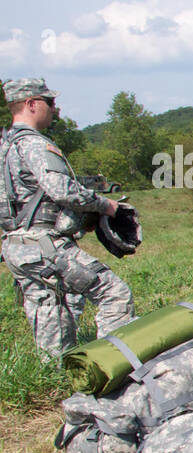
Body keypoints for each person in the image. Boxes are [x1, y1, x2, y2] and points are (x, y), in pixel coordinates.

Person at [0, 78, 134, 359]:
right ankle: (114, 366)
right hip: (45, 247)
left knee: (50, 311)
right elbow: (61, 189)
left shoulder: (5, 148)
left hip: (16, 247)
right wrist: (103, 205)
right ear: (31, 104)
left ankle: (57, 376)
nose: (54, 108)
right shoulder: (34, 145)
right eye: (49, 102)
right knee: (114, 294)